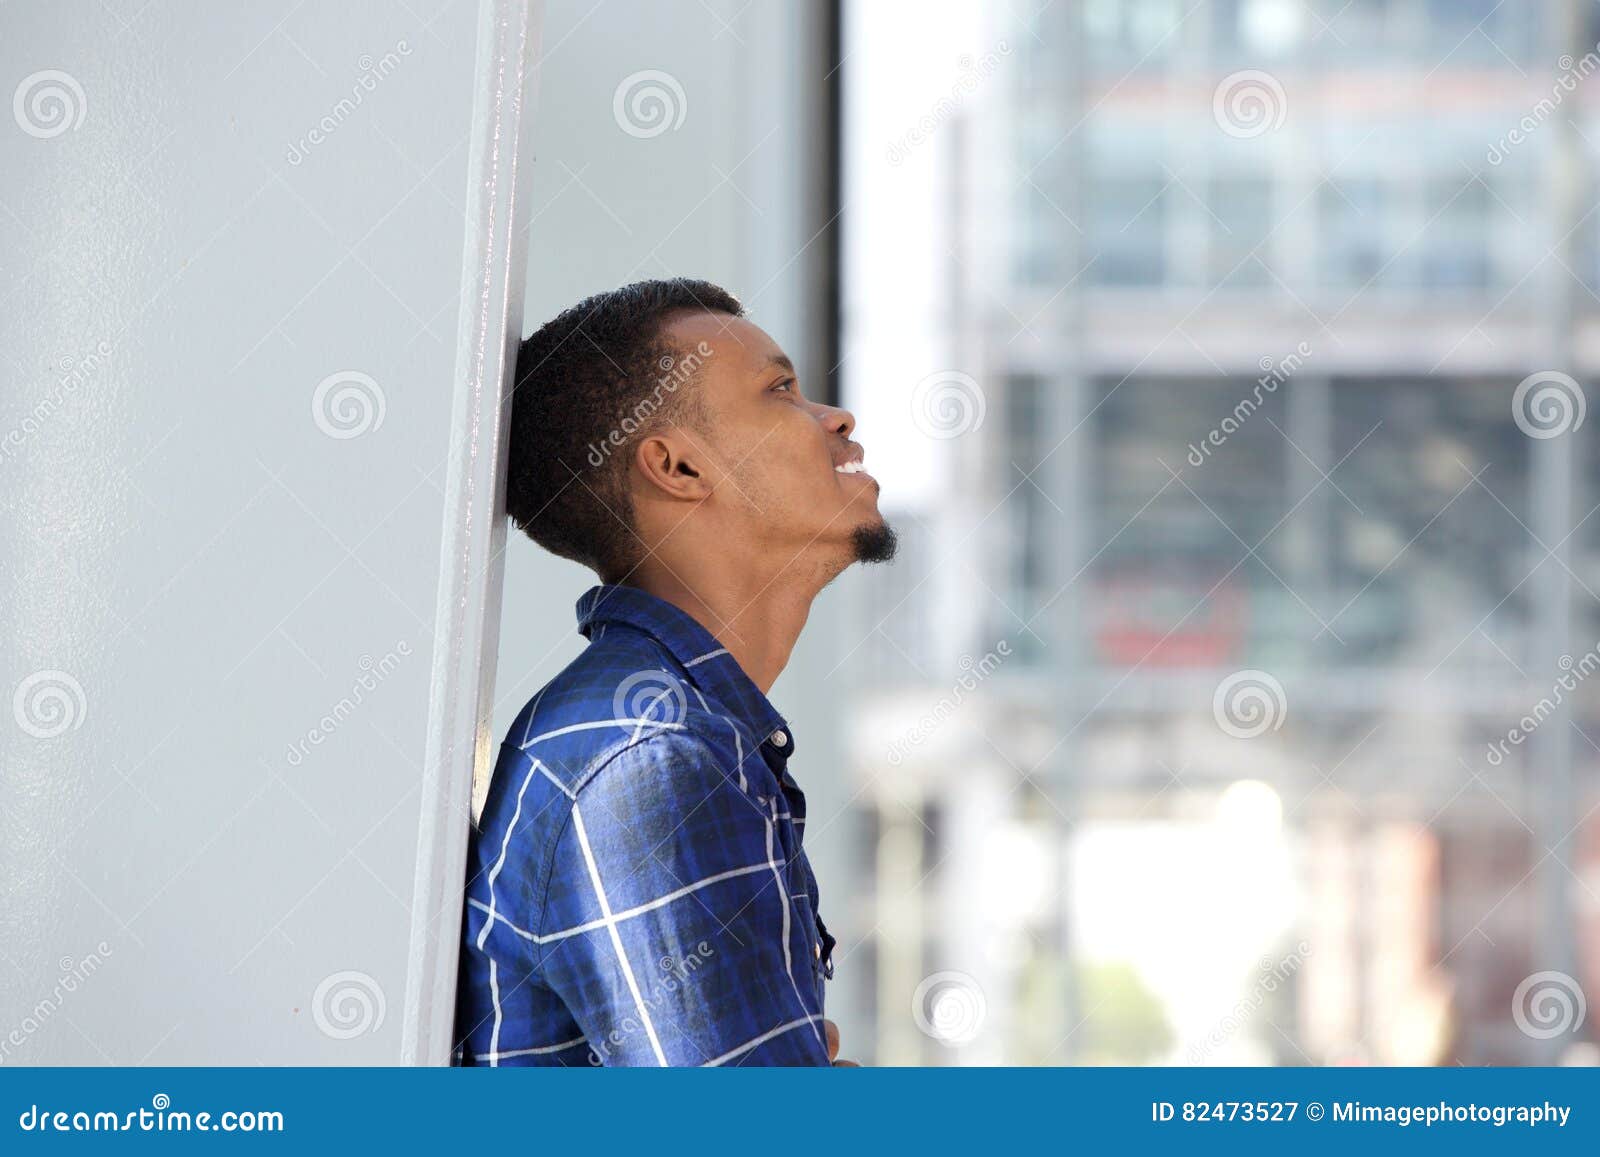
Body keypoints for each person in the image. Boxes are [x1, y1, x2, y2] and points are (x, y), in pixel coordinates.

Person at [453, 278, 895, 1065]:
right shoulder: (649, 757)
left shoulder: (674, 733)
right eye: (781, 390)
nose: (837, 419)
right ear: (680, 467)